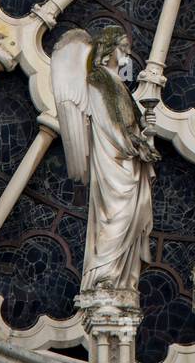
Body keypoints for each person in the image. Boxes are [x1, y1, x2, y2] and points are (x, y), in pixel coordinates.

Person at [51, 25, 156, 293]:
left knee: (132, 211)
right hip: (114, 157)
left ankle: (122, 277)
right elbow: (106, 123)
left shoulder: (117, 83)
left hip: (128, 159)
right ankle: (104, 273)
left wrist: (145, 127)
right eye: (123, 48)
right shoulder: (97, 80)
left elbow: (128, 120)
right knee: (116, 214)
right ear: (109, 49)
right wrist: (133, 145)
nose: (127, 54)